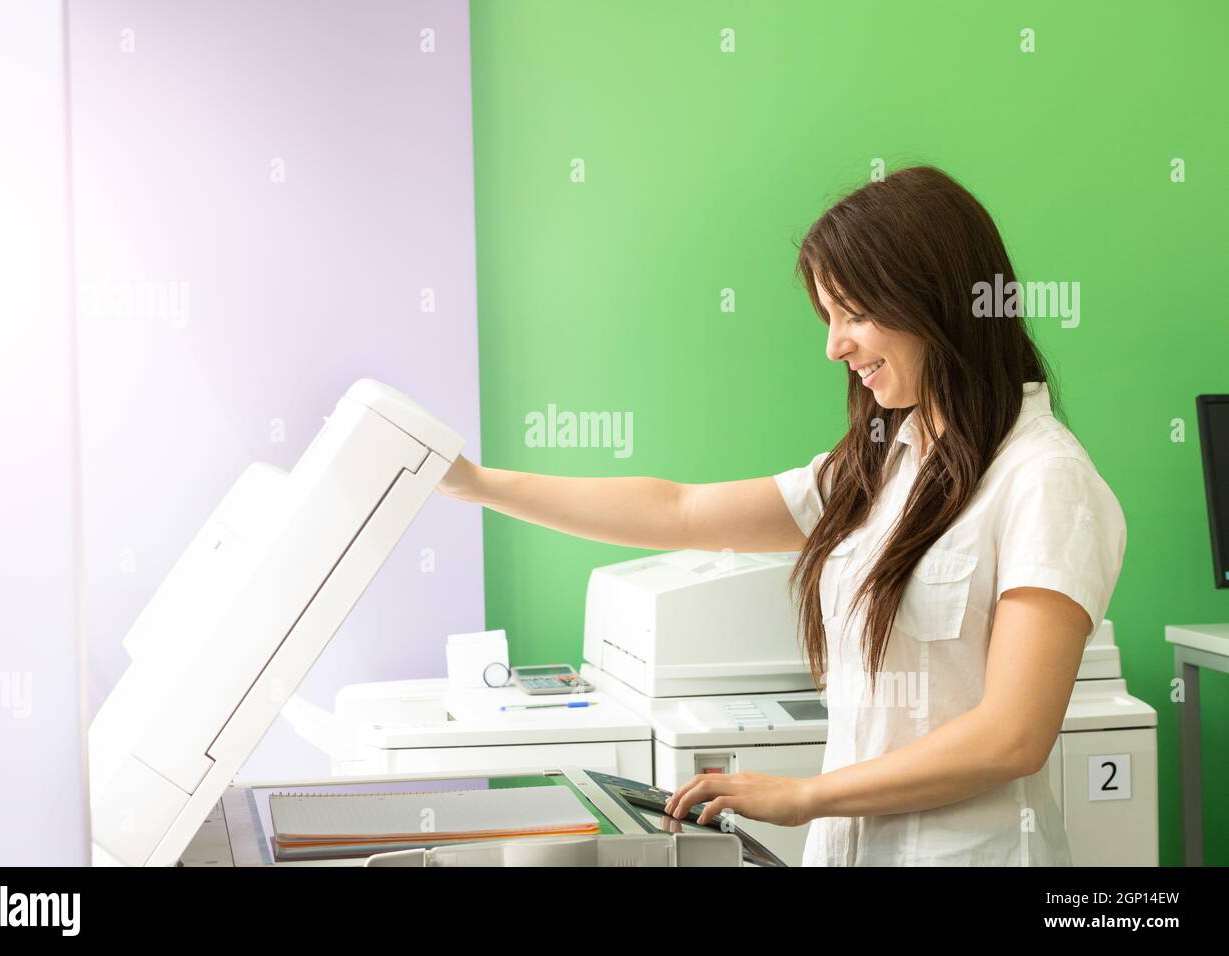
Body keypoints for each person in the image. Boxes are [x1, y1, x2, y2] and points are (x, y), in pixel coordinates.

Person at [436, 165, 1125, 866]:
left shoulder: (1045, 479)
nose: (835, 346)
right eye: (829, 317)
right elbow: (679, 509)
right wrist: (474, 483)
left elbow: (1012, 736)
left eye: (855, 314)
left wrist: (806, 796)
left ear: (938, 303)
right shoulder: (887, 462)